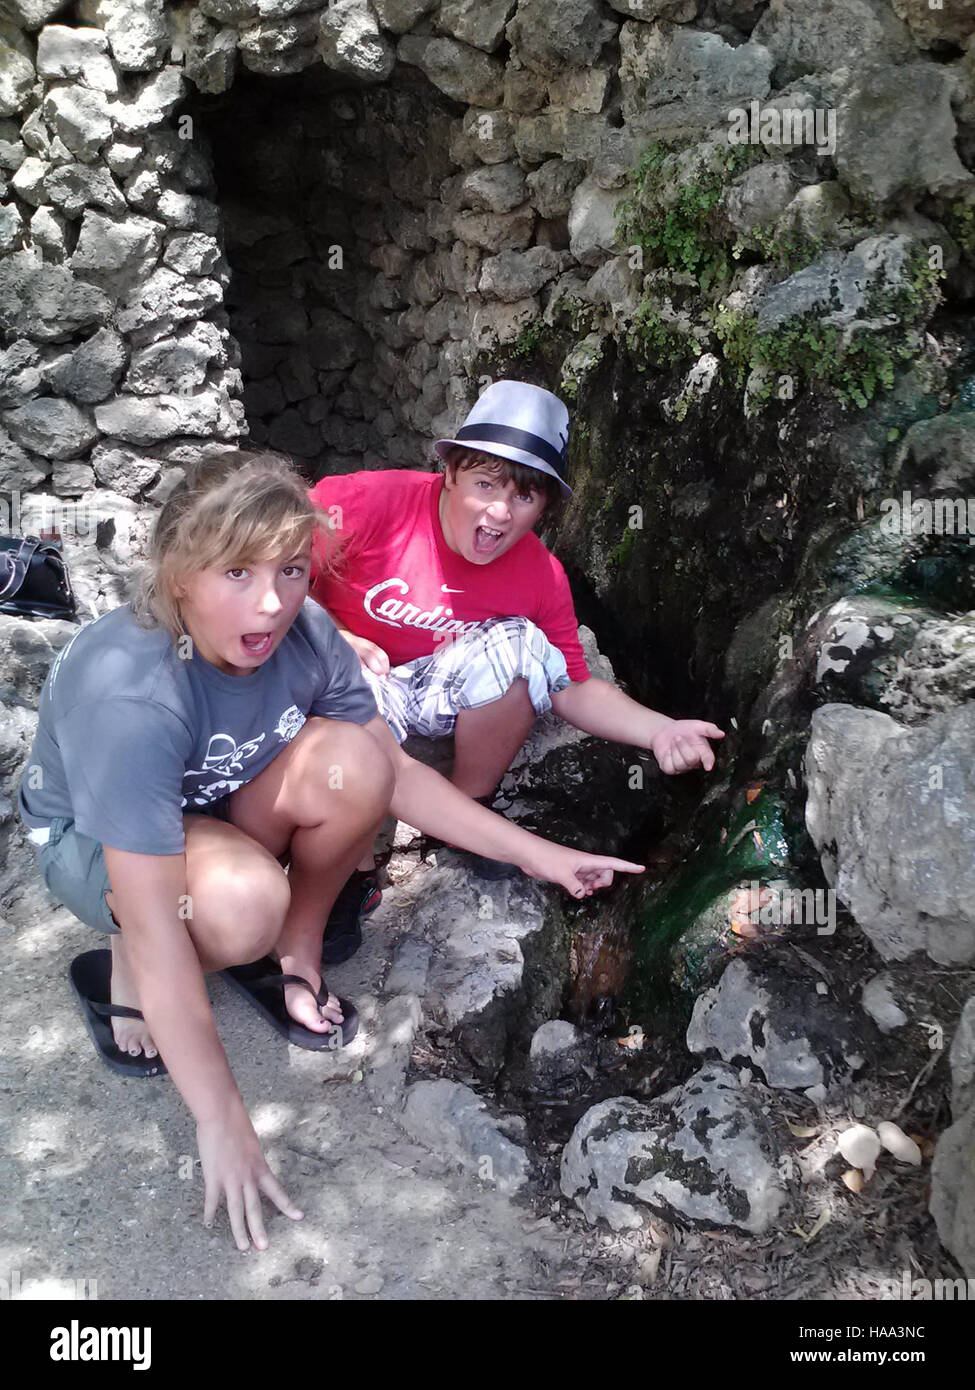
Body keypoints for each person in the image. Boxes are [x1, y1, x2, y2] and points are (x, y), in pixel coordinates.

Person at [17, 449, 644, 1252]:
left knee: (356, 763)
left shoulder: (305, 633)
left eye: (287, 570)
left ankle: (297, 952)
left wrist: (537, 855)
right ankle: (123, 959)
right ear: (178, 576)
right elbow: (158, 911)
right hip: (95, 837)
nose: (272, 602)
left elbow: (392, 780)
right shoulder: (135, 693)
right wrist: (223, 1119)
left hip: (203, 801)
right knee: (235, 910)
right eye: (236, 573)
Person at [308, 380, 725, 950]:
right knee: (344, 693)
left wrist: (662, 729)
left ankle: (463, 815)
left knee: (523, 648)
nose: (500, 513)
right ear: (449, 473)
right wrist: (332, 634)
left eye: (524, 498)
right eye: (484, 484)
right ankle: (352, 875)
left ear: (545, 508)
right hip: (348, 683)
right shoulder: (362, 503)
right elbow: (260, 571)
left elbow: (571, 685)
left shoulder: (540, 575)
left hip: (434, 690)